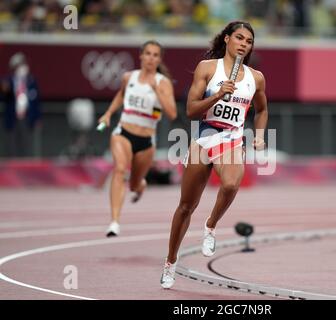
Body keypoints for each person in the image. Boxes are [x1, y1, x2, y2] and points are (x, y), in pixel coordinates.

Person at [160, 21, 268, 289]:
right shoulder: (208, 68)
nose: (244, 43)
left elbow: (262, 110)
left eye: (249, 41)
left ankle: (210, 225)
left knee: (231, 184)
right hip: (205, 137)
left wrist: (260, 134)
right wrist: (218, 95)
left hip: (232, 139)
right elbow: (191, 110)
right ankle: (170, 262)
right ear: (228, 39)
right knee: (186, 207)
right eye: (239, 38)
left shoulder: (256, 77)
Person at [98, 40, 177, 236]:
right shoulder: (129, 77)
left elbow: (172, 113)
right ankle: (114, 222)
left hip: (146, 141)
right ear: (141, 55)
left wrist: (157, 91)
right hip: (123, 133)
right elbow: (121, 95)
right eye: (148, 53)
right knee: (119, 170)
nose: (151, 58)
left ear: (159, 59)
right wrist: (108, 114)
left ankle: (140, 185)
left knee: (134, 183)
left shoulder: (163, 83)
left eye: (155, 55)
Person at [0, 52, 41, 158]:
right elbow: (3, 96)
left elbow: (36, 101)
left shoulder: (31, 81)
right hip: (12, 118)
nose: (23, 67)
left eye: (24, 64)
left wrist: (37, 118)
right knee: (11, 147)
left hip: (27, 118)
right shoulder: (7, 81)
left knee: (26, 146)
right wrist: (5, 90)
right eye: (19, 65)